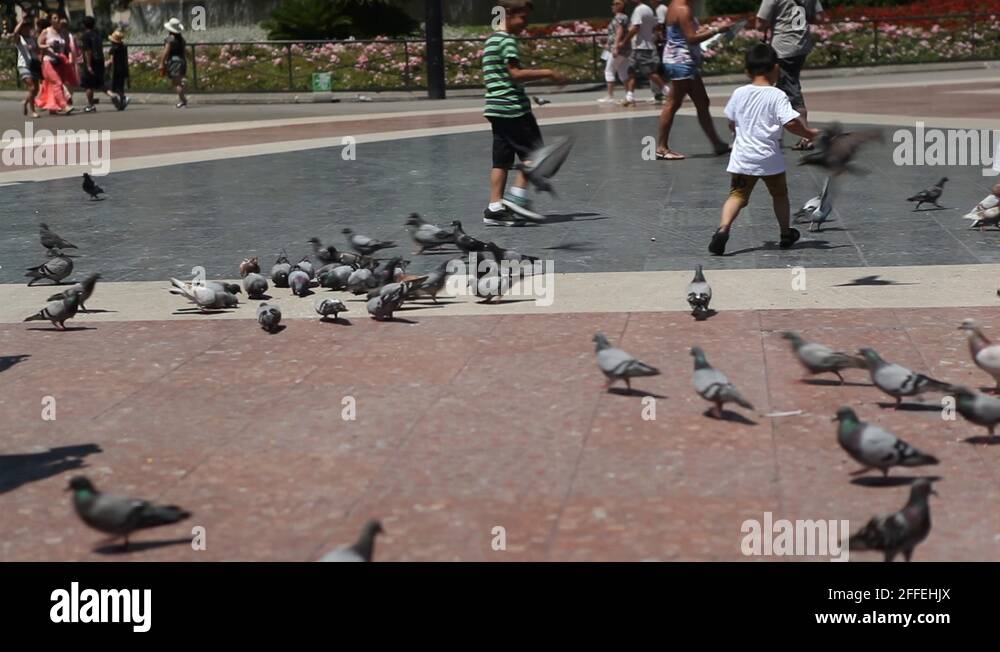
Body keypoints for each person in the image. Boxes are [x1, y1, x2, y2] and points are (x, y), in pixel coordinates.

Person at [707, 43, 820, 256]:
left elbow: (731, 120)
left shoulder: (739, 93)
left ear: (747, 71)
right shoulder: (777, 95)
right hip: (769, 159)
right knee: (779, 195)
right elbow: (791, 123)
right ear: (775, 68)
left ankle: (723, 229)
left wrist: (738, 130)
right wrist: (809, 133)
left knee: (737, 196)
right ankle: (785, 234)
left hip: (742, 158)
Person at [482, 0, 567, 226]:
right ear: (508, 14)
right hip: (514, 109)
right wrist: (549, 73)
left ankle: (494, 207)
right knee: (536, 154)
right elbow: (515, 74)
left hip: (495, 108)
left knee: (501, 160)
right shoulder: (508, 41)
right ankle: (517, 196)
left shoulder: (491, 40)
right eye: (523, 18)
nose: (525, 25)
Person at [655, 0, 730, 160]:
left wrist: (706, 29)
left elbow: (685, 32)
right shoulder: (683, 9)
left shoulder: (676, 6)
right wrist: (717, 30)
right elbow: (691, 38)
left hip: (683, 62)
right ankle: (661, 147)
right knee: (673, 103)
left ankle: (717, 144)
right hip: (681, 62)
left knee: (702, 101)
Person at [756, 0, 824, 150]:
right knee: (781, 89)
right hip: (801, 45)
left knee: (791, 89)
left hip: (783, 48)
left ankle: (806, 136)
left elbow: (760, 23)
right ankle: (775, 135)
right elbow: (819, 18)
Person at [618, 0, 667, 108]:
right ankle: (629, 98)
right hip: (641, 46)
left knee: (649, 73)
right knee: (631, 71)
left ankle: (667, 92)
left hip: (641, 47)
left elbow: (636, 27)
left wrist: (624, 41)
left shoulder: (639, 10)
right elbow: (655, 26)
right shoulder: (649, 10)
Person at [35, 15, 73, 115]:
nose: (58, 20)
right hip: (48, 61)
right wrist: (48, 45)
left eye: (58, 18)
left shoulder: (62, 33)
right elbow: (38, 44)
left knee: (56, 84)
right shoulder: (46, 31)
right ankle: (64, 106)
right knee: (57, 82)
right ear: (51, 21)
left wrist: (68, 56)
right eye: (55, 18)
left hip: (59, 61)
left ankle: (52, 107)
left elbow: (67, 47)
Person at [79, 16, 115, 112]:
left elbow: (87, 51)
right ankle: (112, 95)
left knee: (88, 85)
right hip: (99, 60)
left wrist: (88, 65)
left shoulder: (85, 36)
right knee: (100, 83)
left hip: (92, 61)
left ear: (84, 25)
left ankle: (90, 105)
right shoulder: (97, 35)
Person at [599, 0, 631, 103]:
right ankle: (628, 95)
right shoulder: (624, 17)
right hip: (625, 49)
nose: (613, 6)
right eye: (613, 4)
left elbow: (619, 31)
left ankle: (610, 95)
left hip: (619, 49)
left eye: (616, 4)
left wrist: (615, 46)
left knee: (609, 70)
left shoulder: (619, 17)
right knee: (623, 72)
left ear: (621, 6)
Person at [12, 11, 42, 117]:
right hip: (23, 65)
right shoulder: (19, 39)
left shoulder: (32, 39)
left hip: (33, 65)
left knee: (36, 89)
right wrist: (22, 21)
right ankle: (33, 111)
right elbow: (15, 33)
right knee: (32, 87)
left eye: (28, 27)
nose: (27, 29)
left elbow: (38, 51)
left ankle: (26, 102)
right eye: (24, 28)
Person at [159, 17, 188, 108]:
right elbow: (185, 51)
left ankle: (183, 101)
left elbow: (166, 51)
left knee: (176, 83)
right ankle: (182, 98)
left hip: (174, 62)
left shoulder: (169, 38)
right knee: (180, 81)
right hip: (182, 61)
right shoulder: (181, 39)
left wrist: (161, 62)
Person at [106, 30, 130, 111]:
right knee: (120, 86)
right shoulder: (123, 47)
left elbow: (111, 60)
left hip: (116, 69)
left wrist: (107, 67)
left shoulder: (113, 49)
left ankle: (123, 98)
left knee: (114, 86)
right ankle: (122, 101)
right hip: (123, 68)